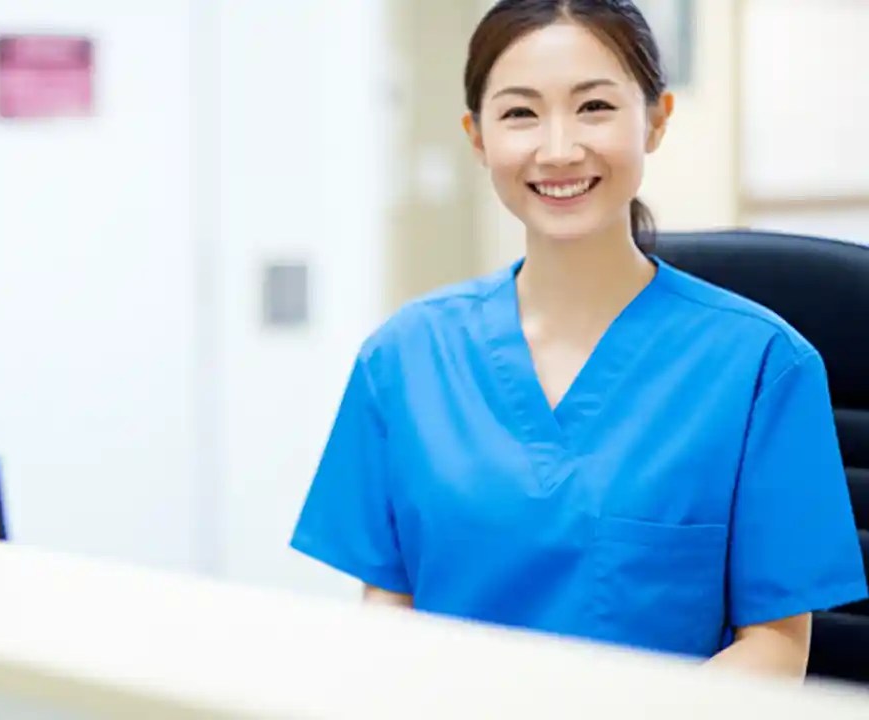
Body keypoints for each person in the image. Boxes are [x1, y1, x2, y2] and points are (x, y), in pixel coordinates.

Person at [289, 0, 867, 680]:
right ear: (477, 138)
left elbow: (776, 647)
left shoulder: (764, 367)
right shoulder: (403, 359)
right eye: (520, 113)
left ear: (655, 119)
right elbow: (388, 608)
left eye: (594, 107)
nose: (558, 148)